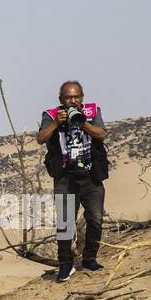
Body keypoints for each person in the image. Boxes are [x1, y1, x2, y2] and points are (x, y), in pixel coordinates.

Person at [36, 81, 109, 282]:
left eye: (76, 97)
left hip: (91, 176)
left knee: (95, 219)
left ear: (82, 97)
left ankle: (90, 258)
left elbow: (102, 134)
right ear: (61, 99)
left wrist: (82, 122)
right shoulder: (50, 115)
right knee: (65, 223)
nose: (72, 101)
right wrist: (56, 123)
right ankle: (65, 264)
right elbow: (41, 138)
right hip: (65, 178)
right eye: (68, 97)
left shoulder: (93, 112)